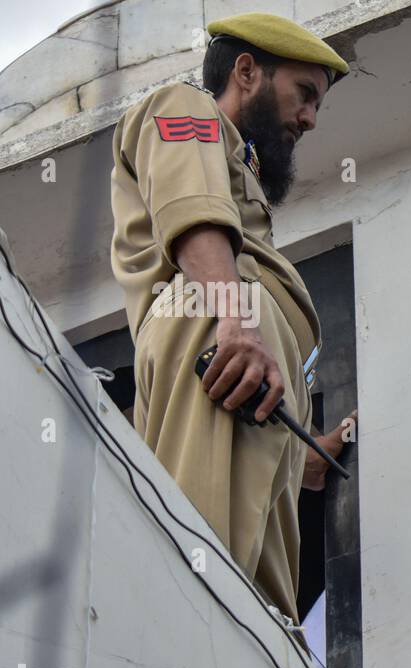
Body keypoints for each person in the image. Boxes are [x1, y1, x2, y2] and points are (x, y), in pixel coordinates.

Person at [108, 13, 355, 623]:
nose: (309, 120)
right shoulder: (186, 107)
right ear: (246, 71)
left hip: (241, 356)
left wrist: (306, 457)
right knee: (206, 580)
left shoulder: (236, 167)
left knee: (261, 616)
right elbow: (191, 212)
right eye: (305, 95)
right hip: (215, 329)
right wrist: (239, 324)